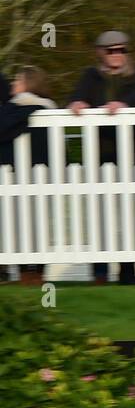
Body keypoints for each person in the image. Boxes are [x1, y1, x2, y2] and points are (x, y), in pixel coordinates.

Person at [67, 30, 135, 284]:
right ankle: (100, 271)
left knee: (130, 212)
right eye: (111, 50)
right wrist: (78, 104)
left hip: (132, 152)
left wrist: (123, 105)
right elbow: (76, 96)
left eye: (122, 50)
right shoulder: (91, 76)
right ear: (100, 53)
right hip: (100, 153)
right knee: (99, 212)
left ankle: (128, 271)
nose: (117, 55)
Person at [0, 67, 55, 285]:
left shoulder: (20, 106)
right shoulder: (45, 107)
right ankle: (33, 273)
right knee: (37, 223)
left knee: (18, 222)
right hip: (40, 174)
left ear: (28, 84)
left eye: (18, 79)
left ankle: (28, 273)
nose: (13, 84)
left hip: (19, 174)